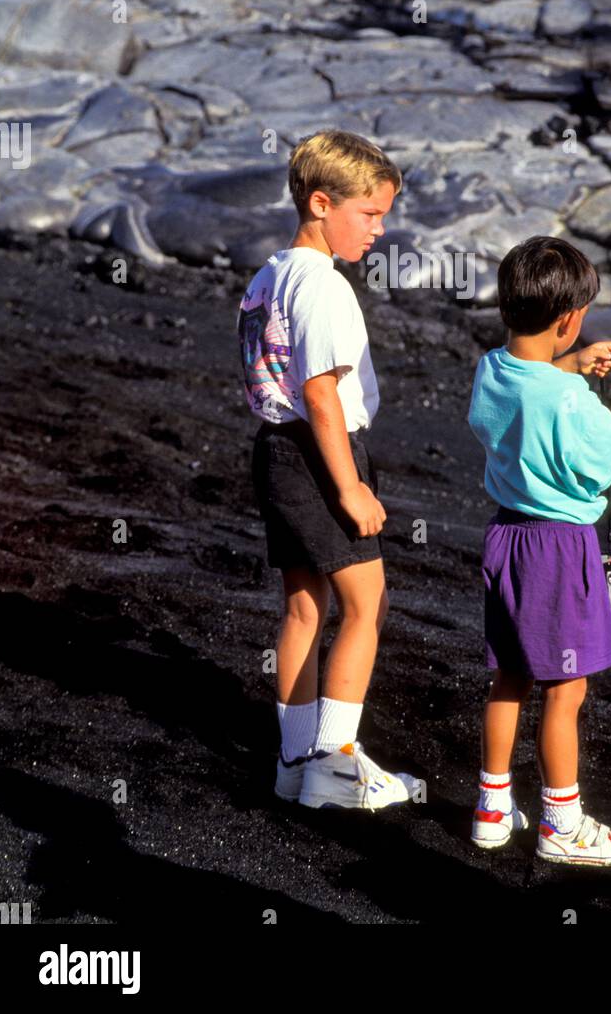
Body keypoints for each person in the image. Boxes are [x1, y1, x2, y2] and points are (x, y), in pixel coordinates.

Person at [238, 128, 421, 810]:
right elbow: (319, 391)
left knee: (304, 609)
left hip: (274, 448)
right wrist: (349, 486)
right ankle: (334, 767)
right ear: (321, 203)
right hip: (322, 453)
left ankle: (294, 765)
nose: (379, 229)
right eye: (369, 214)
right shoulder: (324, 287)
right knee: (366, 605)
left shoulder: (269, 274)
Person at [466, 235, 611, 865]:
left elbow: (523, 388)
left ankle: (492, 807)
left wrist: (567, 364)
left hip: (506, 536)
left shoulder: (492, 369)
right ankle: (561, 822)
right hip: (562, 547)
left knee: (509, 676)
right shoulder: (571, 400)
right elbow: (606, 465)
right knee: (567, 688)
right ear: (570, 319)